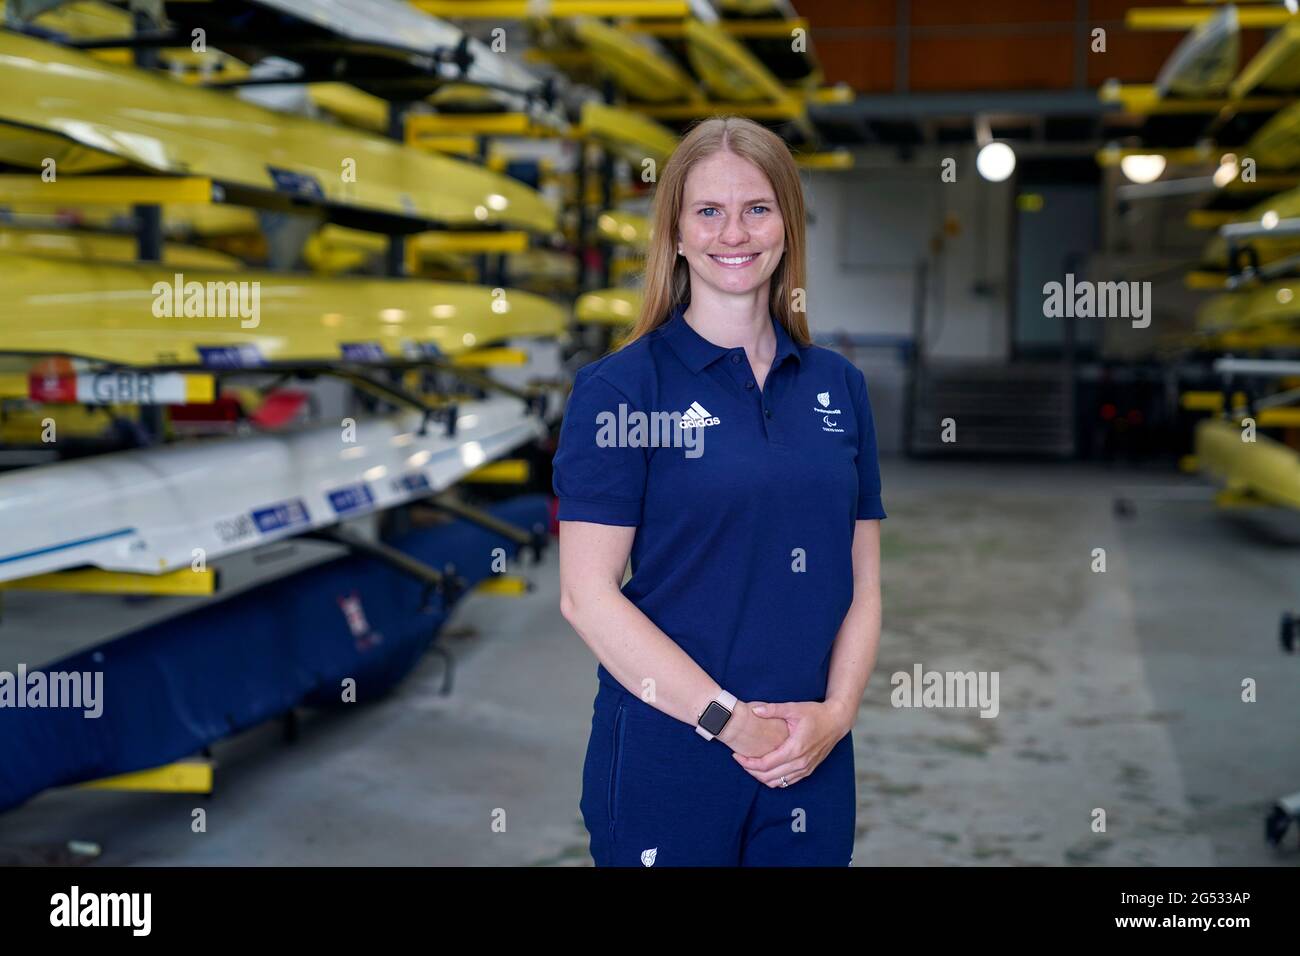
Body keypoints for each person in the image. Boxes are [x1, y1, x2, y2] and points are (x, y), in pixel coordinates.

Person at [553, 115, 885, 867]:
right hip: (670, 753)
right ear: (674, 233)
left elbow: (864, 585)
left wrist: (835, 717)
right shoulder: (620, 391)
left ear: (787, 226)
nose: (733, 232)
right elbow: (587, 595)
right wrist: (728, 721)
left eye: (757, 209)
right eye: (708, 211)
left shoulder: (839, 386)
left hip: (810, 757)